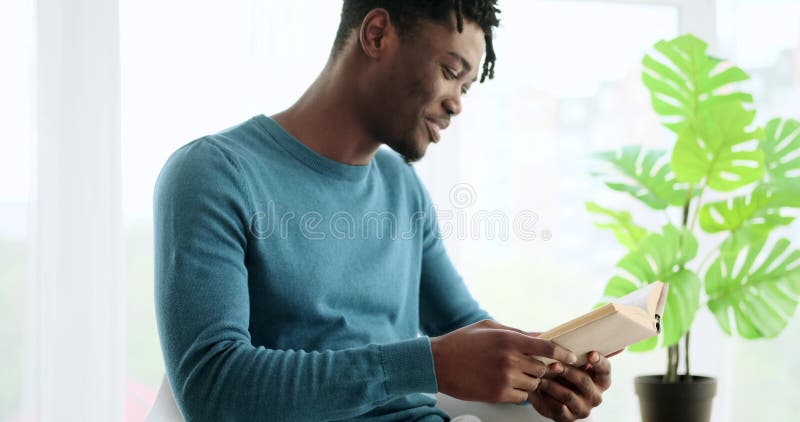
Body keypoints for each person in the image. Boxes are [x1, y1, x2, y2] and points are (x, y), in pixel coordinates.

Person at [154, 1, 614, 421]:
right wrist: (426, 364)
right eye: (449, 71)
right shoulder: (214, 173)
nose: (456, 103)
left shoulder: (401, 186)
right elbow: (211, 387)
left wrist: (549, 374)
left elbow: (467, 332)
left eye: (466, 87)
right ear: (377, 35)